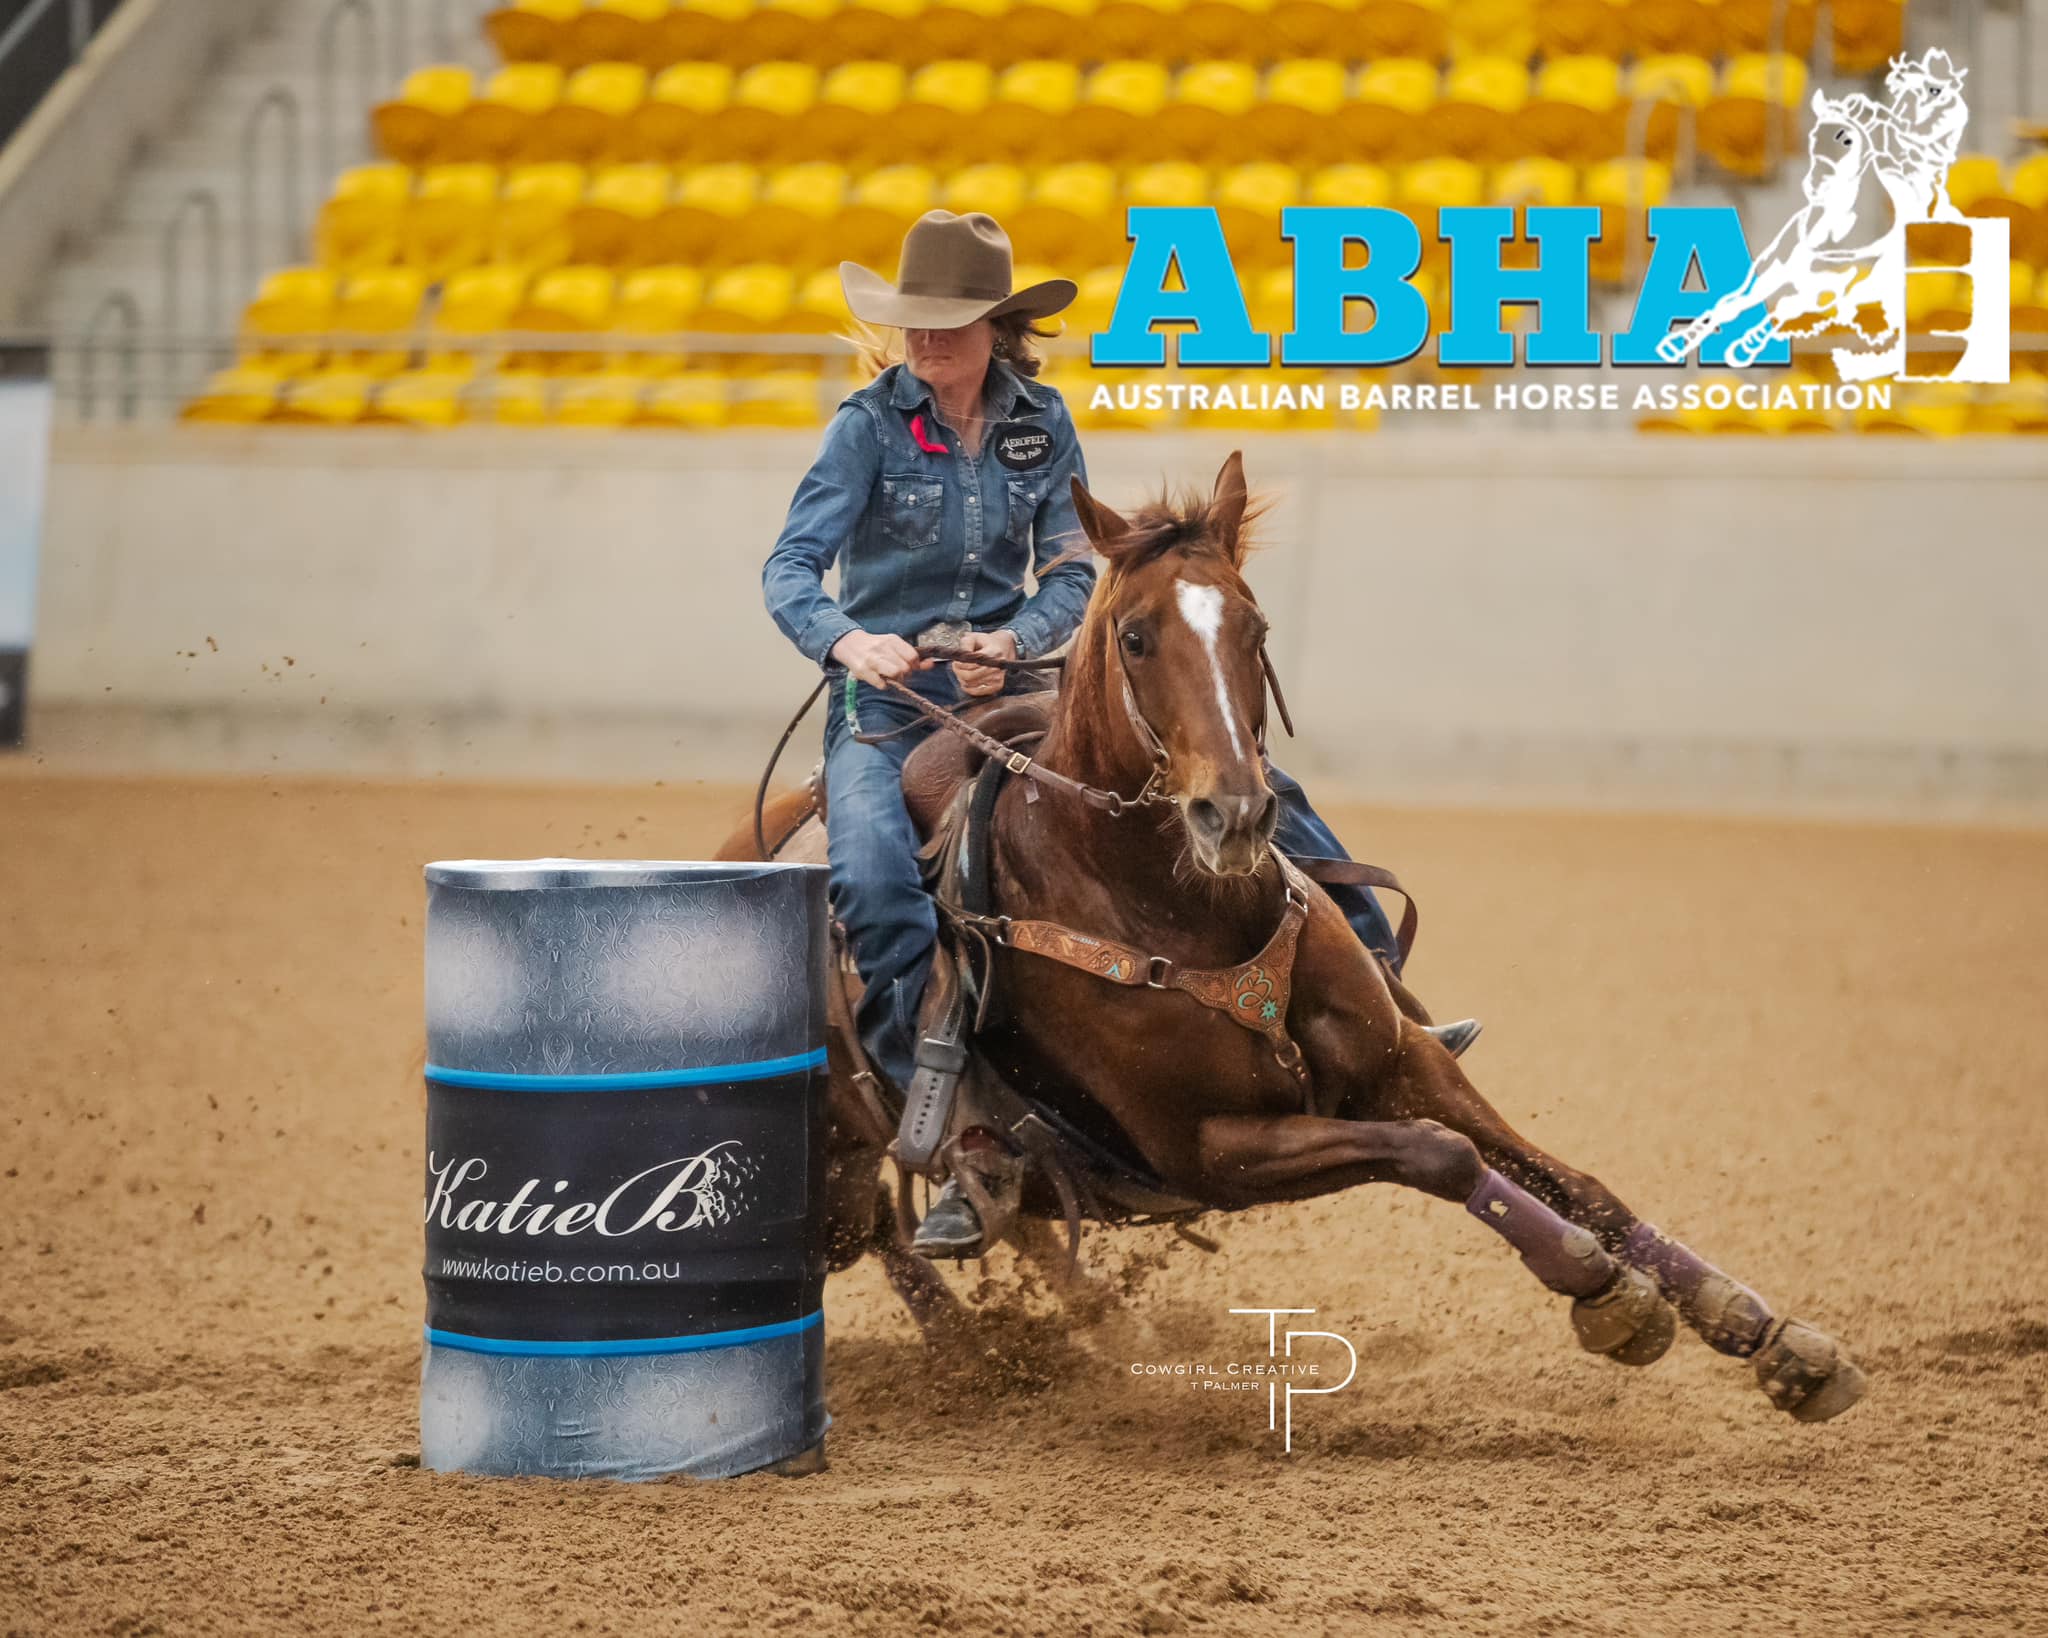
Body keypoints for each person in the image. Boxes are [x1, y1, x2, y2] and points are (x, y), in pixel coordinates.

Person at [763, 210, 1474, 1261]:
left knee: (1249, 780)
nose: (927, 341)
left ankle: (1382, 998)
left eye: (950, 322)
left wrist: (1013, 636)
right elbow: (788, 569)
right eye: (915, 322)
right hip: (887, 712)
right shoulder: (862, 430)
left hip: (1021, 687)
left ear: (998, 328)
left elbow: (1068, 571)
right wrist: (849, 642)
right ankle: (946, 1125)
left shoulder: (1039, 423)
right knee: (871, 877)